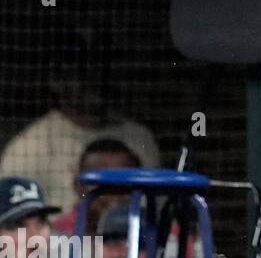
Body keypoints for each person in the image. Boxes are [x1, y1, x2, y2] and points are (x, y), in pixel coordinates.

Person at [0, 29, 159, 214]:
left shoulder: (140, 139)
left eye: (101, 66)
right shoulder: (28, 148)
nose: (94, 77)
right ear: (56, 80)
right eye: (82, 70)